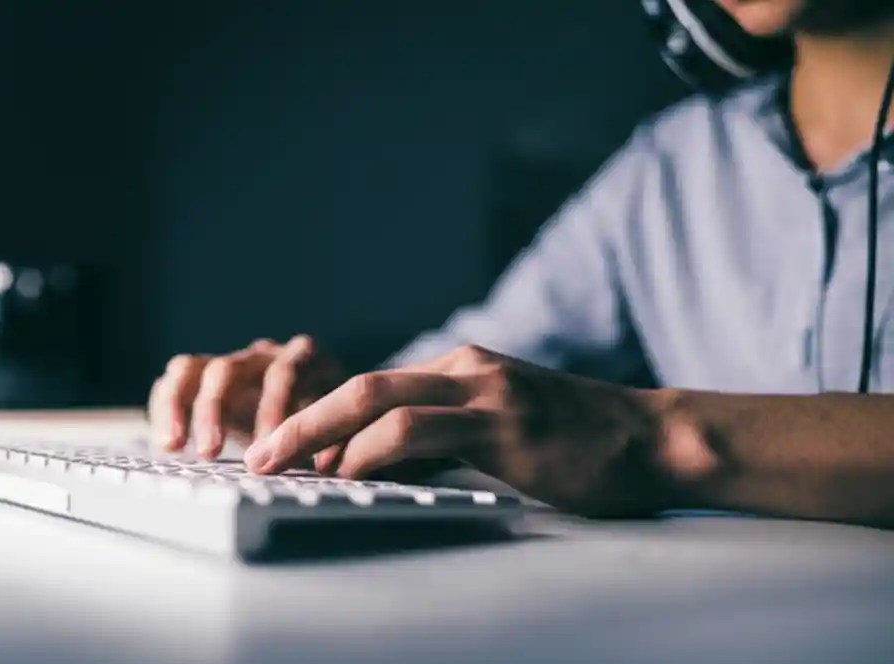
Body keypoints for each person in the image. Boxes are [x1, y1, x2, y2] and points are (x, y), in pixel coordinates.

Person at [147, 0, 894, 528]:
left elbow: (615, 430)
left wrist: (649, 436)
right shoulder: (672, 162)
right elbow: (482, 367)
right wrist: (341, 407)